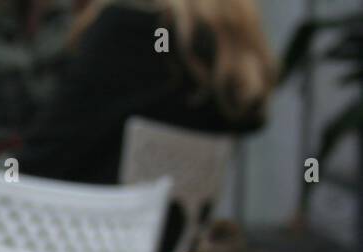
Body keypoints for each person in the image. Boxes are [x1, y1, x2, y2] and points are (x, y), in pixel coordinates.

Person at [16, 0, 277, 185]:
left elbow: (44, 159)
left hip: (82, 237)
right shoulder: (227, 56)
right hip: (171, 250)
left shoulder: (126, 31)